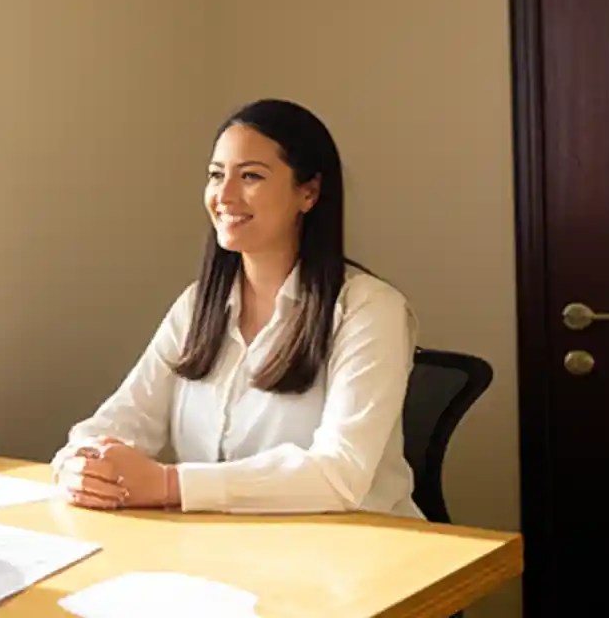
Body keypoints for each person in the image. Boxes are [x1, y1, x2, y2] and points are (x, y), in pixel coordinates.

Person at [52, 98, 422, 519]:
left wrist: (169, 484)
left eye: (250, 176)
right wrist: (78, 466)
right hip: (230, 549)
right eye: (215, 175)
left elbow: (340, 474)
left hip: (362, 555)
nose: (224, 195)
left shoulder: (371, 310)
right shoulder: (197, 306)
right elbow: (117, 422)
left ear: (309, 192)